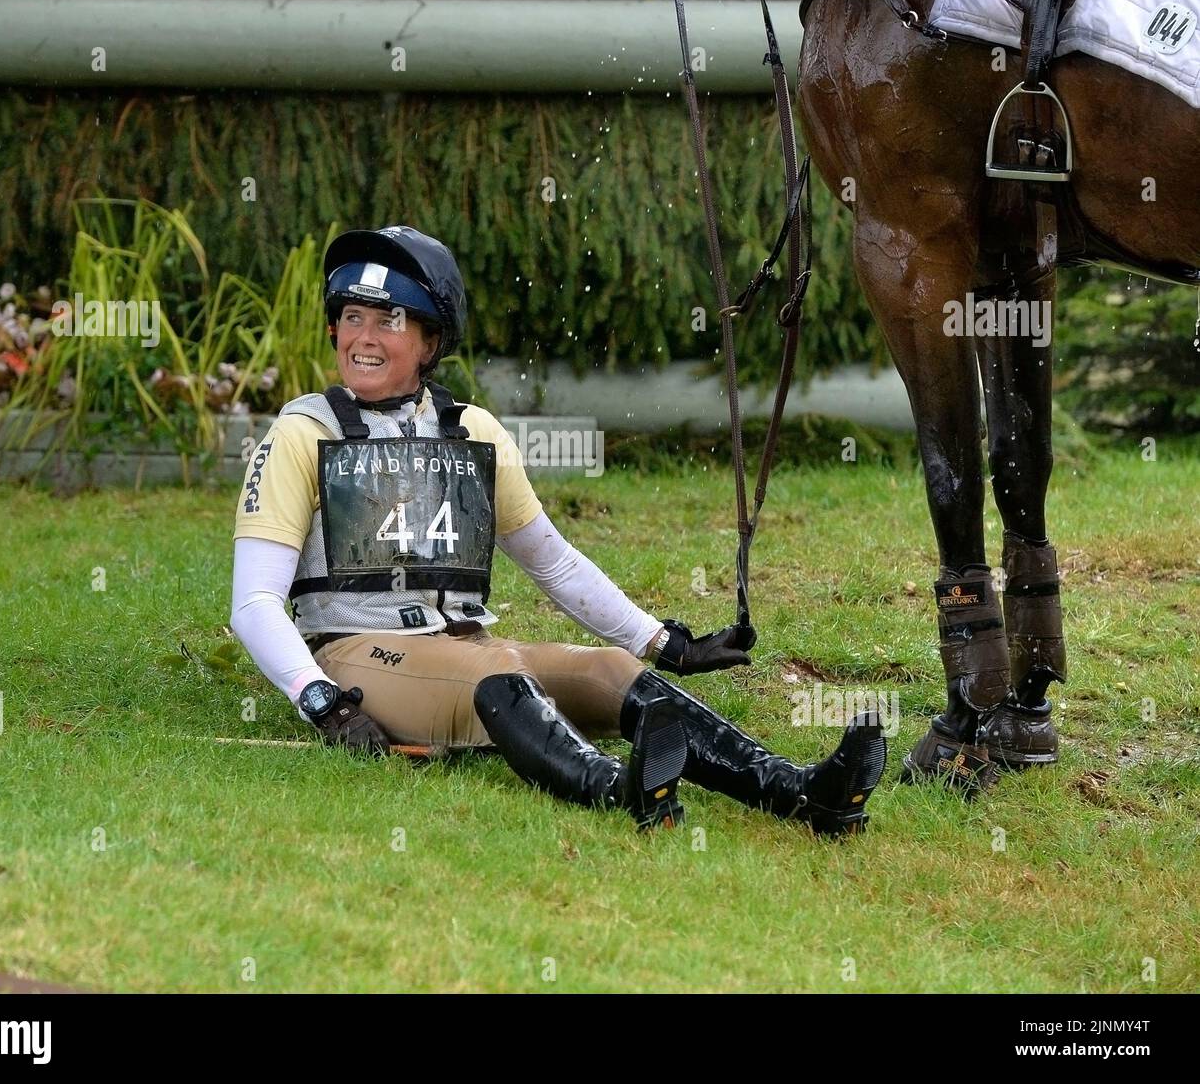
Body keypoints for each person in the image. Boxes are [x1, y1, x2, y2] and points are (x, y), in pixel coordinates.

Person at [229, 224, 886, 834]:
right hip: (358, 651)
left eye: (389, 320)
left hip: (471, 644)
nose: (363, 337)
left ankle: (801, 792)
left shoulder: (472, 430)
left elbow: (553, 562)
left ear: (431, 340)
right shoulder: (300, 433)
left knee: (608, 668)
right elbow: (254, 602)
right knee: (503, 676)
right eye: (352, 317)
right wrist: (323, 700)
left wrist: (666, 644)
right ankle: (617, 789)